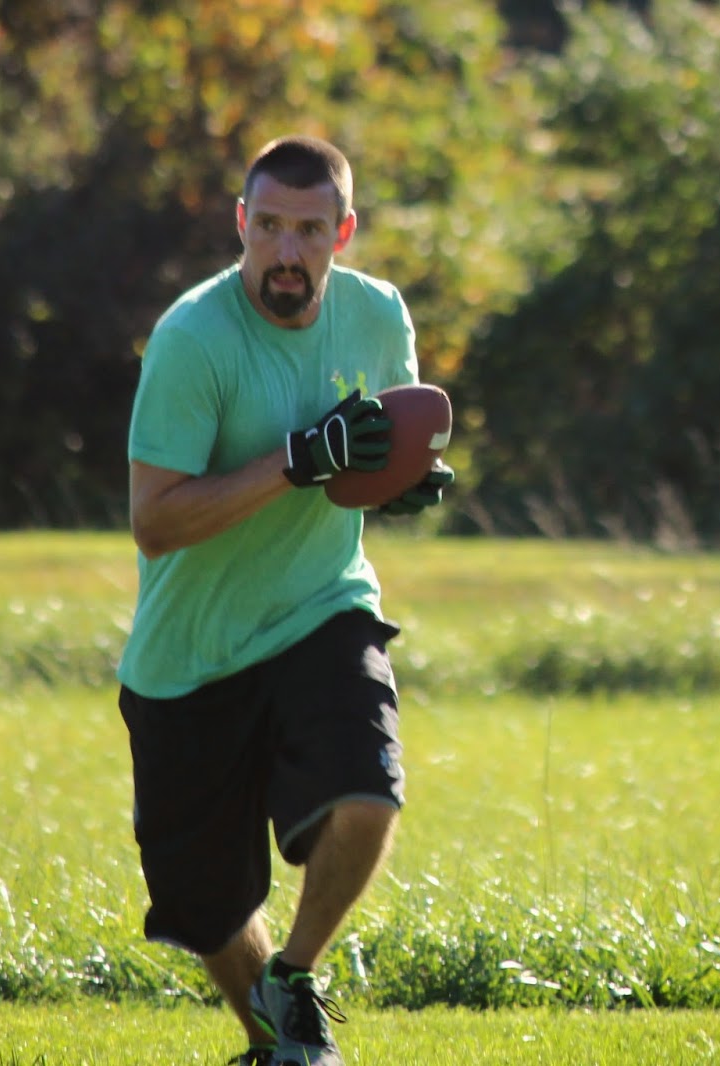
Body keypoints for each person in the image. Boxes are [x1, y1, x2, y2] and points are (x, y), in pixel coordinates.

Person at [117, 135, 453, 1066]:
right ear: (241, 224)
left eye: (308, 230)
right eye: (267, 226)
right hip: (191, 656)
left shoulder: (379, 315)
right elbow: (155, 522)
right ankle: (277, 1047)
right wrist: (298, 459)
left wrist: (403, 485)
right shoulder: (193, 338)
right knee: (208, 908)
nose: (286, 251)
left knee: (368, 794)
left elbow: (375, 458)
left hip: (321, 609)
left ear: (343, 233)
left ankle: (295, 975)